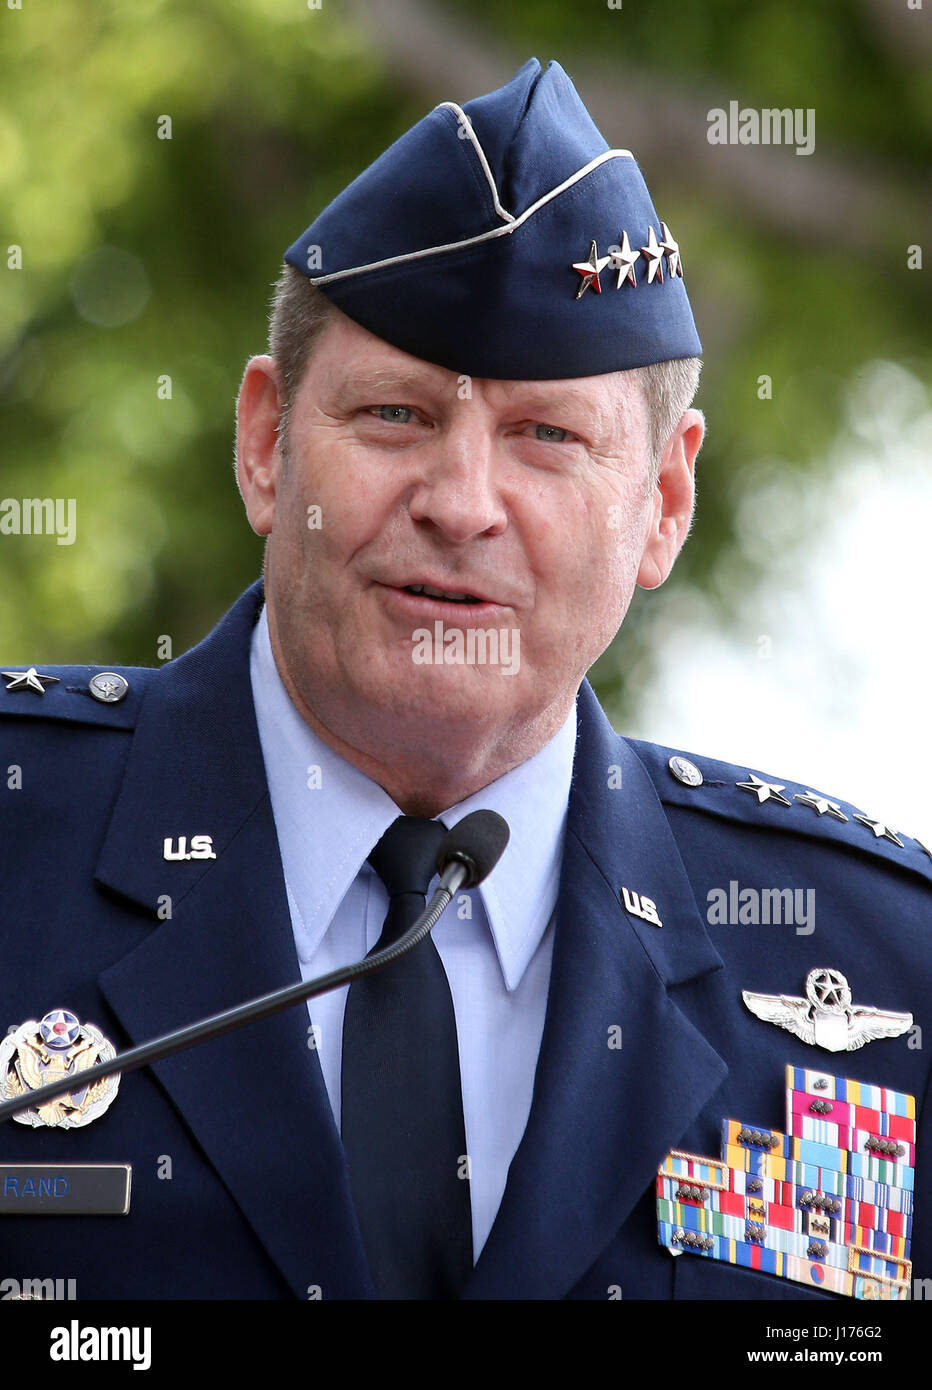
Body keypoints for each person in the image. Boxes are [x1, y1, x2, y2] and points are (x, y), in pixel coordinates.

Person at [0, 58, 927, 1302]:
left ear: (661, 504)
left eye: (546, 437)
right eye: (394, 416)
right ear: (267, 442)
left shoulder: (883, 970)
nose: (461, 505)